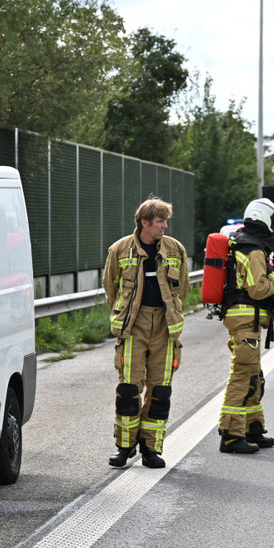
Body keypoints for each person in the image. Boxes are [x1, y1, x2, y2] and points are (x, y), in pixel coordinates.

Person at [103, 197, 190, 469]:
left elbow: (183, 289)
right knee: (128, 388)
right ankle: (124, 446)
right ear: (144, 223)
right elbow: (110, 287)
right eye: (160, 221)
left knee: (160, 391)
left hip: (165, 328)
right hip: (133, 328)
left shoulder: (175, 249)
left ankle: (151, 448)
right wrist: (126, 315)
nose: (165, 226)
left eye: (166, 221)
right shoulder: (119, 250)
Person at [217, 197, 274, 454]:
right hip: (246, 320)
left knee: (254, 376)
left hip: (242, 319)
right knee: (243, 376)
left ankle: (253, 429)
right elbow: (258, 289)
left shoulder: (241, 243)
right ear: (269, 219)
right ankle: (231, 436)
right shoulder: (255, 250)